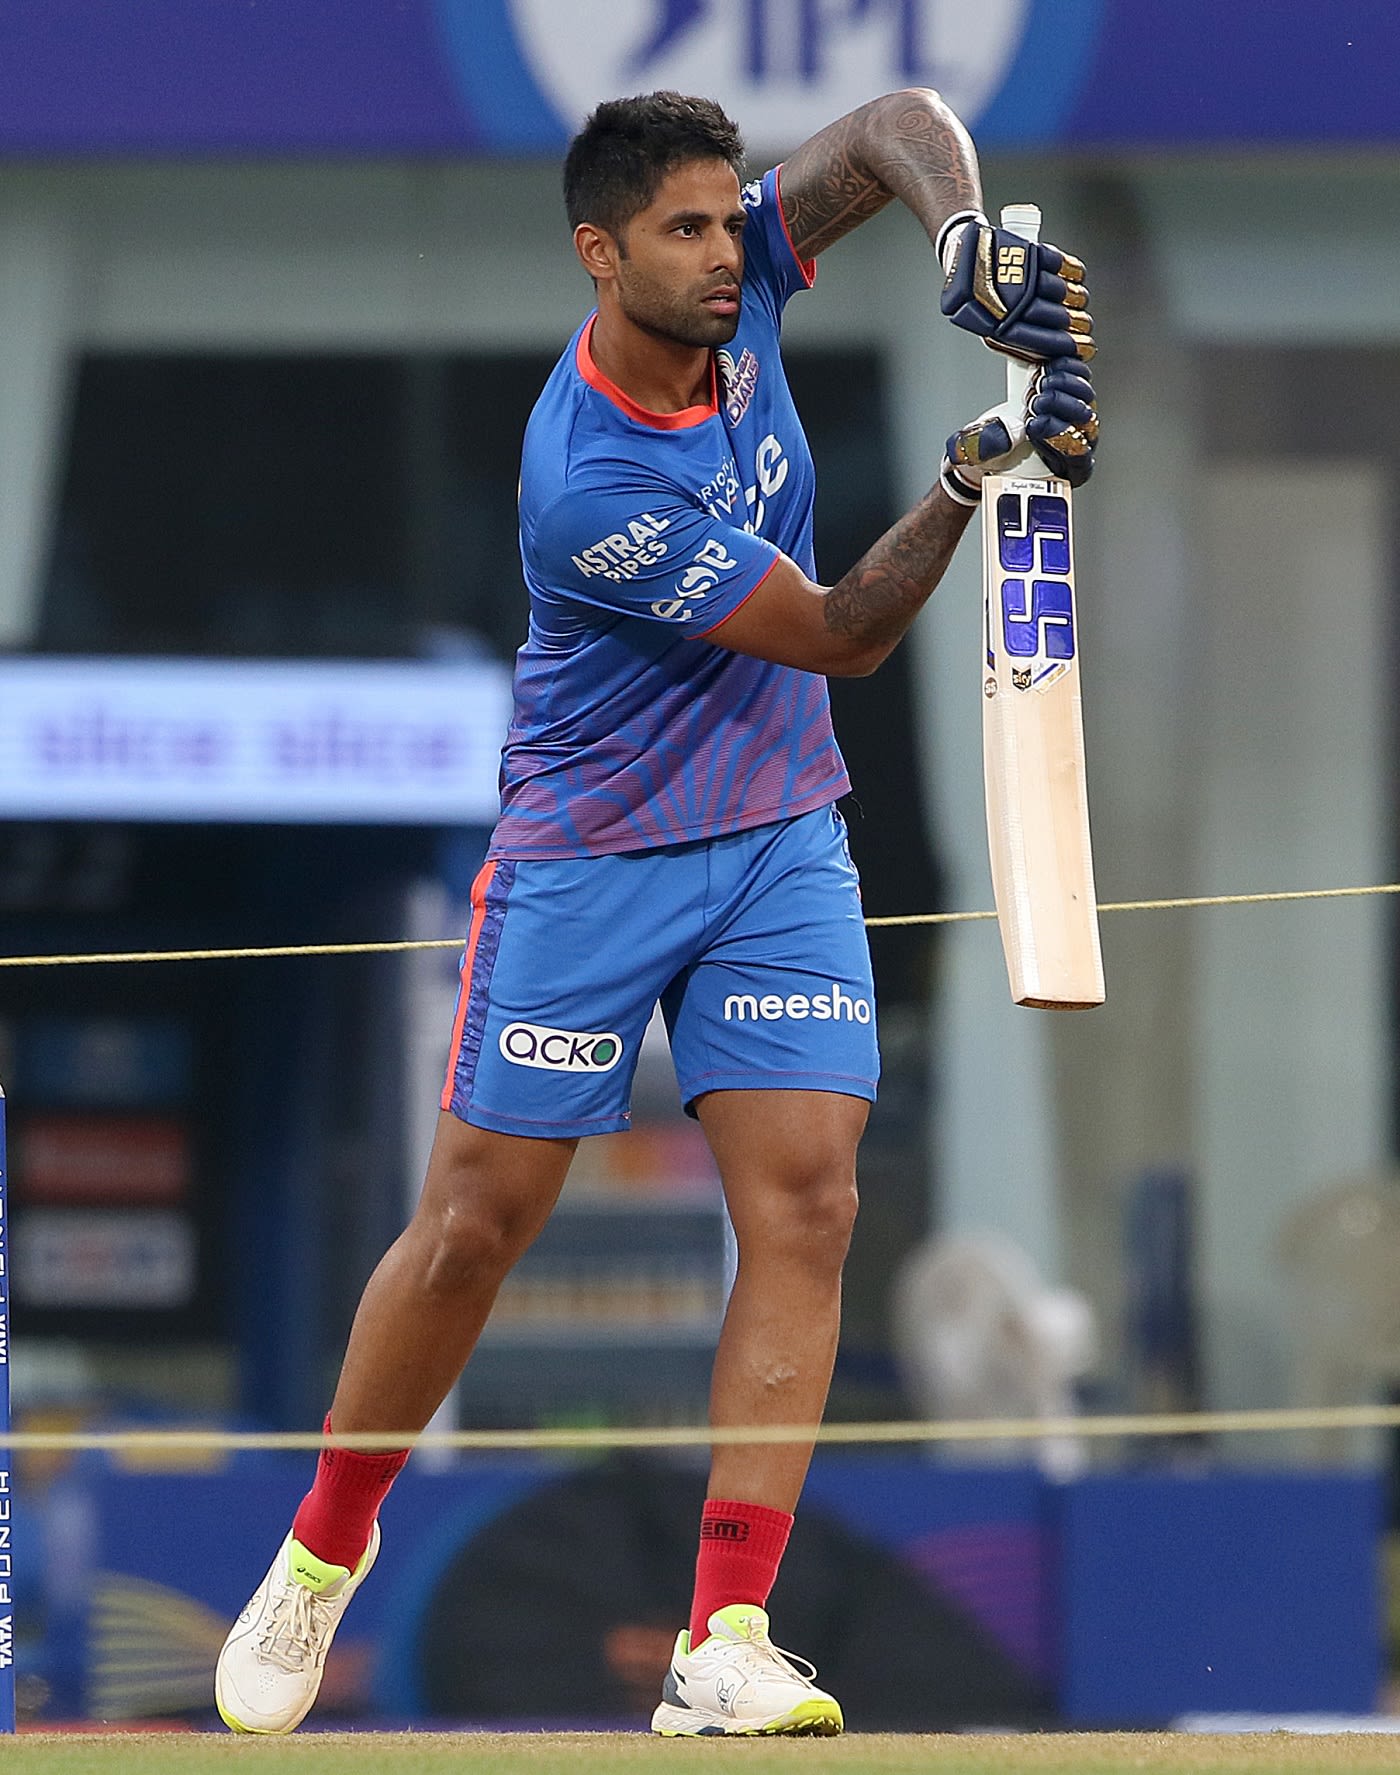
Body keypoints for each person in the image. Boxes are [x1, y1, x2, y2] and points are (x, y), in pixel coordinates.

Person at [215, 85, 1097, 1740]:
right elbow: (838, 632)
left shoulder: (744, 272)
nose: (722, 252)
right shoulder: (589, 483)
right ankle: (321, 1557)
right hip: (591, 856)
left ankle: (727, 1636)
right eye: (682, 232)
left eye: (727, 221)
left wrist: (959, 233)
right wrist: (976, 475)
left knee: (813, 1208)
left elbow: (899, 120)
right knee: (477, 1225)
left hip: (778, 837)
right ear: (598, 253)